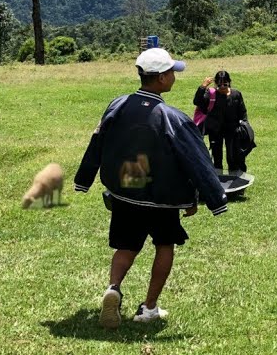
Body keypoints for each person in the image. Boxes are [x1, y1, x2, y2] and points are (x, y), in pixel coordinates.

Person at [74, 48, 228, 328]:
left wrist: (84, 178)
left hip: (126, 191)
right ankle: (149, 307)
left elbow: (97, 141)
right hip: (162, 198)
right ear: (161, 78)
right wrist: (211, 197)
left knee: (126, 246)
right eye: (171, 72)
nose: (174, 77)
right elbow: (196, 160)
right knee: (164, 245)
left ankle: (113, 288)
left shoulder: (117, 105)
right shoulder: (173, 118)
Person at [194, 70, 249, 173]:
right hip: (215, 130)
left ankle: (234, 177)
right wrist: (202, 87)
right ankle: (218, 178)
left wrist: (244, 127)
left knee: (233, 157)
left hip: (232, 130)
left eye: (225, 84)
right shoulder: (211, 94)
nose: (222, 87)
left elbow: (242, 111)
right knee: (217, 157)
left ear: (229, 82)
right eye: (219, 85)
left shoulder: (236, 94)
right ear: (216, 84)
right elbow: (197, 101)